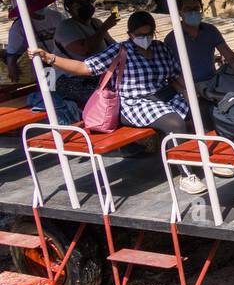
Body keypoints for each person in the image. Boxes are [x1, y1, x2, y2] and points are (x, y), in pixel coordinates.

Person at [29, 11, 210, 195]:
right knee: (174, 123)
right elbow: (84, 67)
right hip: (134, 104)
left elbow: (174, 75)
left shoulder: (160, 48)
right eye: (140, 35)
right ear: (130, 34)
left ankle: (207, 158)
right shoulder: (120, 50)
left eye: (148, 34)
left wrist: (189, 94)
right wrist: (50, 58)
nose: (144, 38)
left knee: (202, 109)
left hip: (164, 97)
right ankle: (186, 174)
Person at [163, 0, 234, 99]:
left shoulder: (210, 31)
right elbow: (170, 73)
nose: (192, 12)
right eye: (188, 9)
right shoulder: (172, 38)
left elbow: (229, 55)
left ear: (201, 10)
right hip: (190, 86)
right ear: (180, 12)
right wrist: (184, 90)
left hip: (213, 80)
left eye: (196, 8)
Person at [5, 0, 65, 83]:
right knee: (50, 90)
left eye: (40, 5)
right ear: (26, 9)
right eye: (35, 7)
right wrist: (11, 66)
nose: (40, 8)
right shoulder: (19, 26)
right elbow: (12, 51)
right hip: (41, 64)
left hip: (62, 59)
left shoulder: (57, 16)